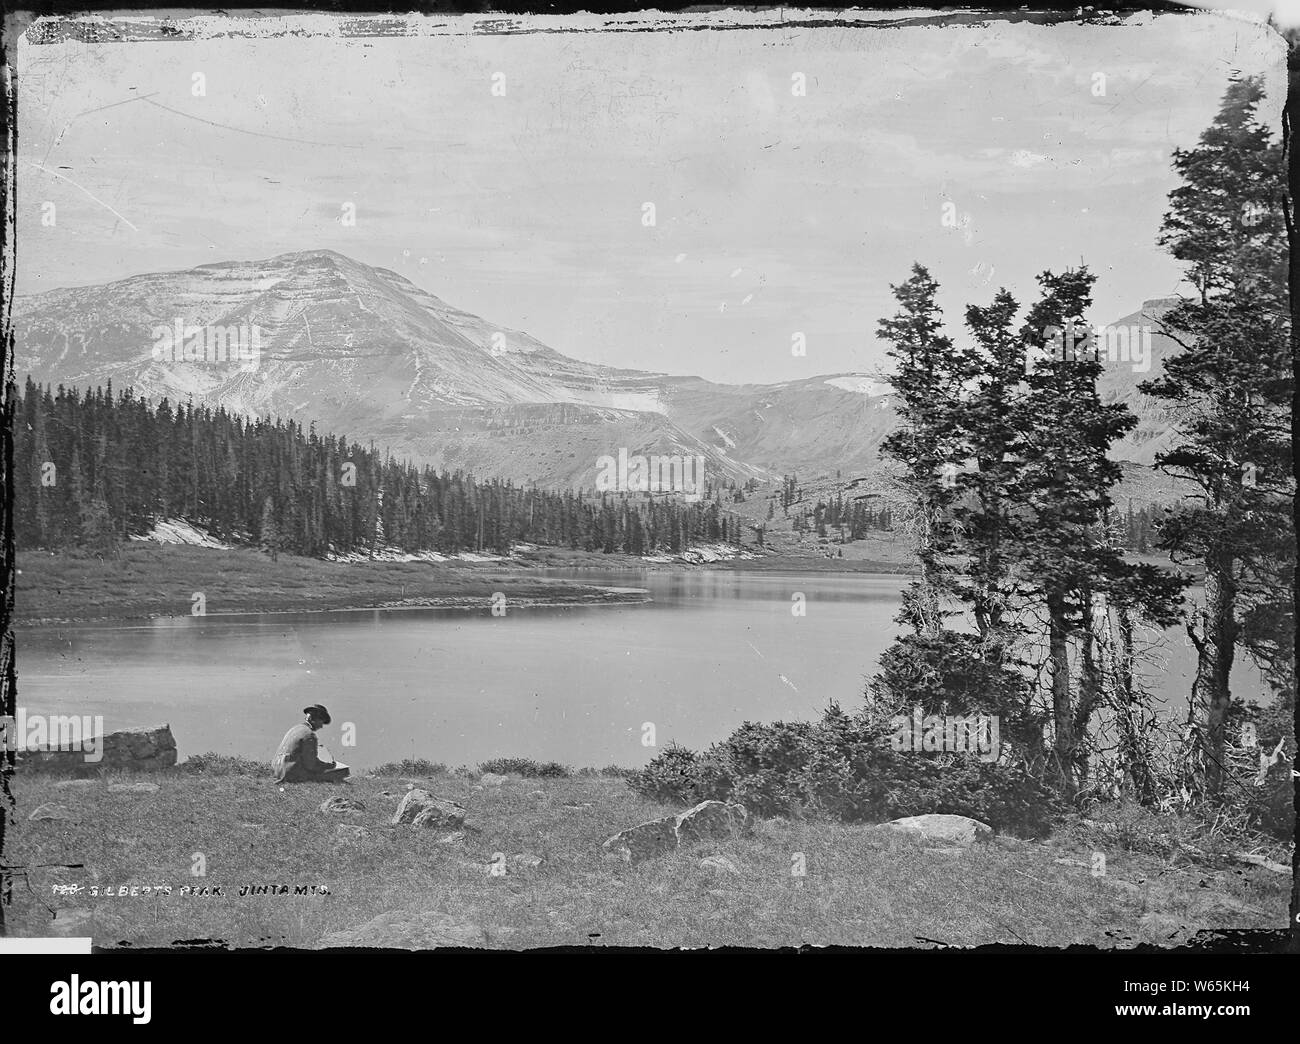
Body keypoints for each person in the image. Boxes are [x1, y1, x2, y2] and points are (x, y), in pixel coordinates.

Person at [272, 705, 350, 783]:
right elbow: (311, 765)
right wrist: (329, 765)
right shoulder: (309, 735)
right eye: (321, 722)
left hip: (278, 771)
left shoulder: (295, 729)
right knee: (342, 772)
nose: (321, 726)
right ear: (314, 720)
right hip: (292, 774)